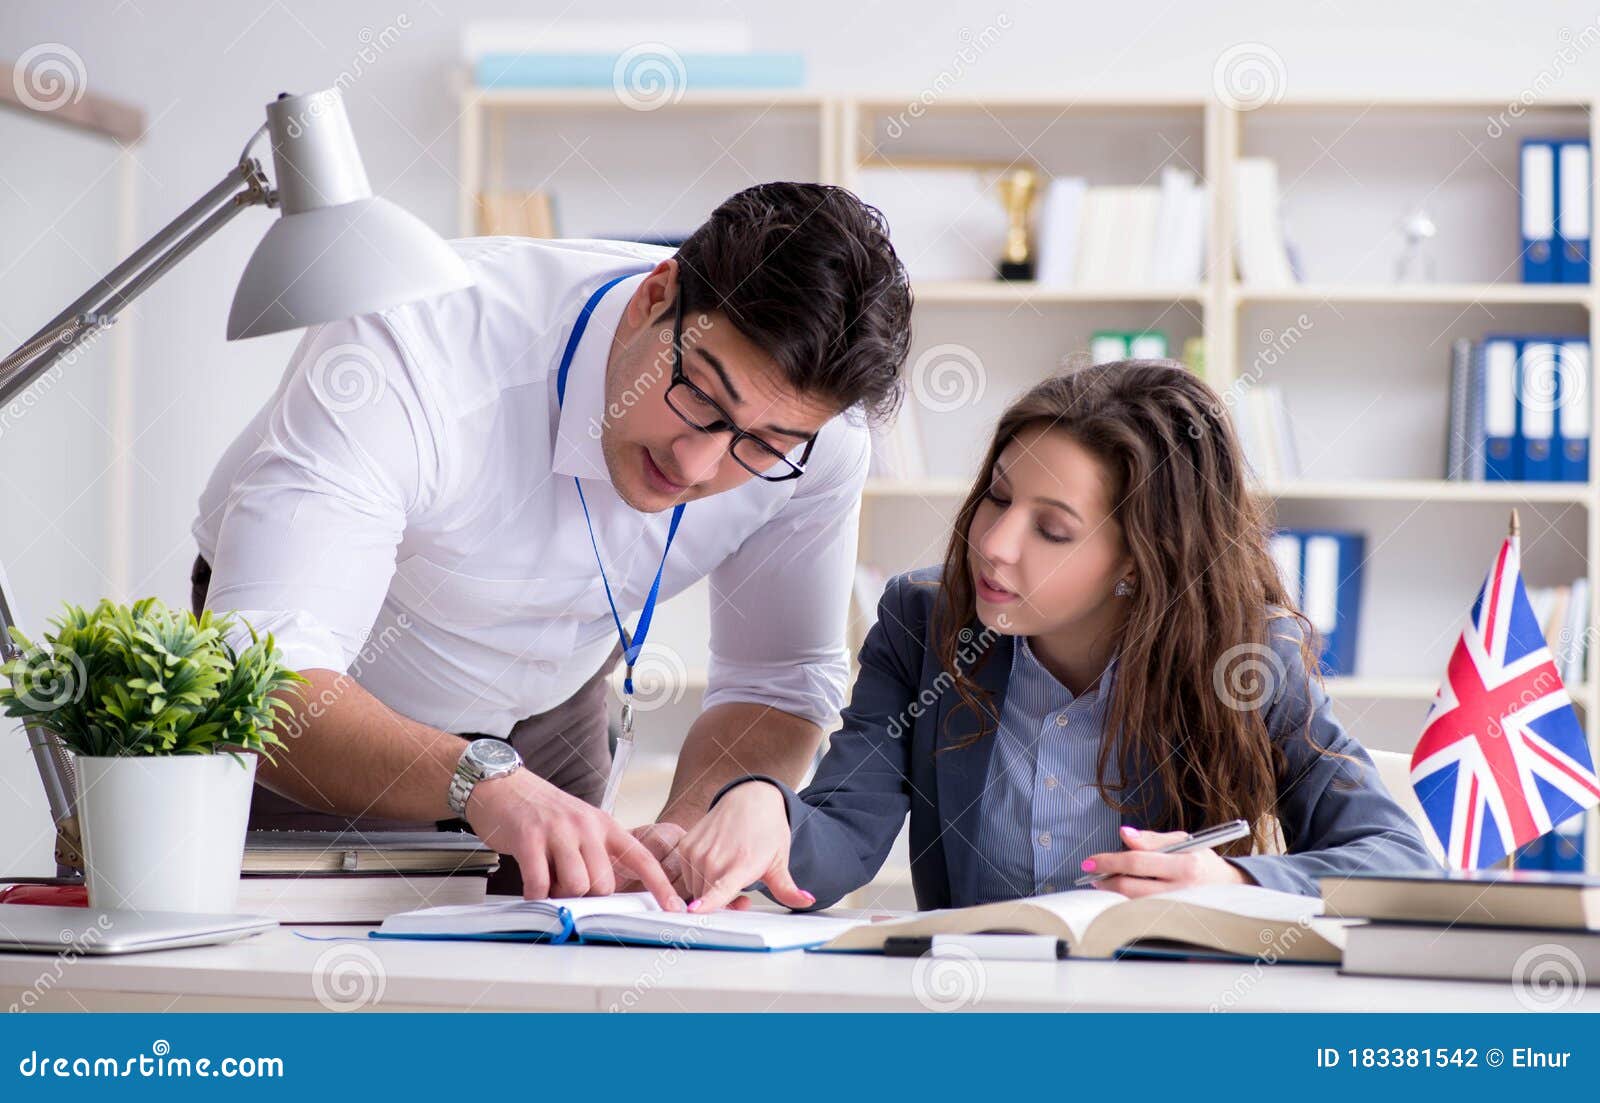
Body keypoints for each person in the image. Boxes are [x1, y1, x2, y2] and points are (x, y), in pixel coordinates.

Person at [190, 182, 912, 904]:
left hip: (553, 707)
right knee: (288, 974)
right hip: (329, 713)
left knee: (558, 978)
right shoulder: (410, 343)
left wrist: (691, 830)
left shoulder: (819, 441)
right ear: (654, 297)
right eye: (699, 397)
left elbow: (777, 682)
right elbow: (264, 672)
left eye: (757, 444)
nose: (697, 465)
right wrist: (478, 778)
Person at [676, 360, 1440, 912]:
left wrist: (1233, 882)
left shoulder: (1243, 655)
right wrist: (764, 808)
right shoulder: (923, 624)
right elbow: (841, 836)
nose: (995, 544)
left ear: (1139, 562)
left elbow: (1398, 858)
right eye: (997, 498)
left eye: (1053, 528)